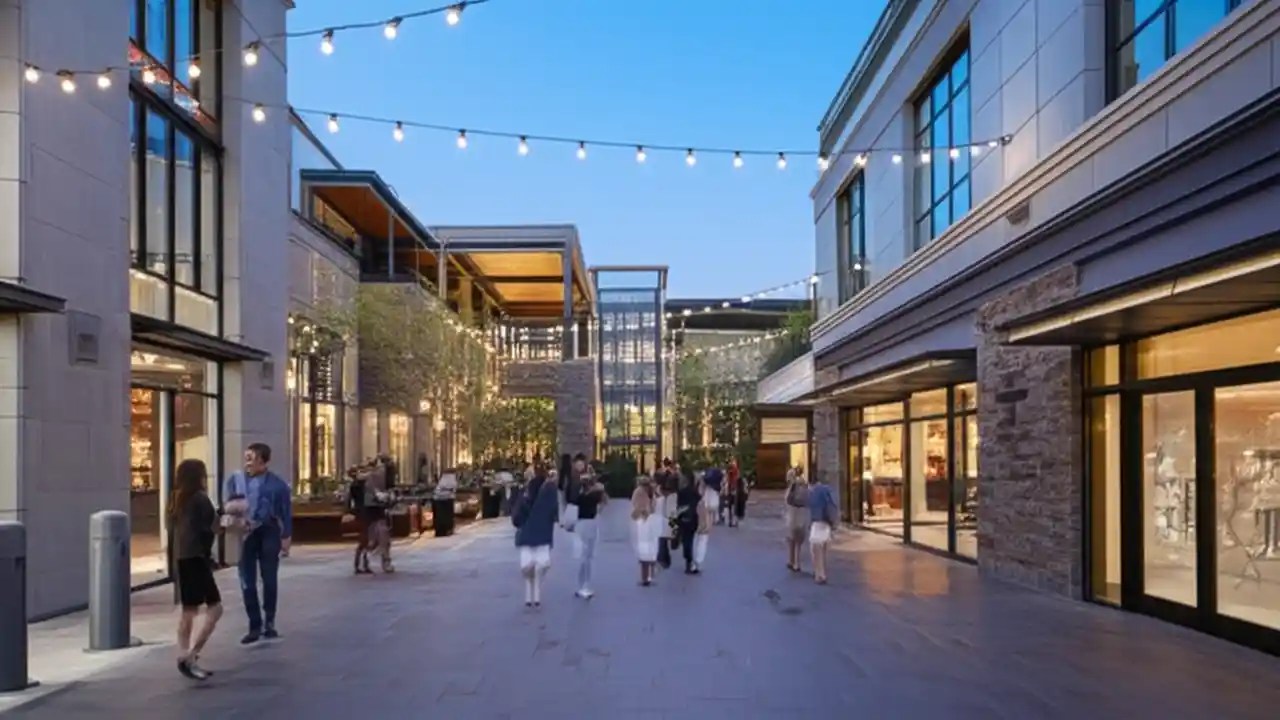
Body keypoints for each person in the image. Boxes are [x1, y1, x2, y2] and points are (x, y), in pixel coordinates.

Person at [223, 442, 293, 645]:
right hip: (245, 532)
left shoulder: (278, 485)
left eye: (251, 458)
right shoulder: (235, 481)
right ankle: (254, 624)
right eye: (246, 458)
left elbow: (285, 512)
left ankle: (269, 620)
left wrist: (286, 537)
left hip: (268, 530)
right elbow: (226, 505)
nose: (247, 463)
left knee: (269, 577)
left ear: (263, 461)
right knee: (246, 578)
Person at [170, 459, 222, 680]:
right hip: (197, 558)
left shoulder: (175, 500)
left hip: (181, 558)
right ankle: (191, 656)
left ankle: (183, 655)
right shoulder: (200, 499)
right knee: (215, 608)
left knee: (188, 611)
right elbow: (215, 526)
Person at [513, 465, 559, 607]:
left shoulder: (529, 492)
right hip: (538, 531)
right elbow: (554, 511)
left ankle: (533, 589)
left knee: (533, 564)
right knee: (536, 563)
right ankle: (533, 589)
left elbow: (517, 514)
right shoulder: (547, 491)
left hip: (531, 531)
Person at [572, 470, 607, 599]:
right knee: (588, 556)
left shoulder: (579, 496)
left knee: (583, 556)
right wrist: (599, 511)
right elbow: (605, 500)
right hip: (592, 523)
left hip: (581, 524)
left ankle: (581, 585)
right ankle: (586, 585)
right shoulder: (595, 495)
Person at [808, 472, 839, 584]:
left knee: (816, 547)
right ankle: (821, 572)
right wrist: (833, 522)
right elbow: (832, 506)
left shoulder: (815, 491)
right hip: (826, 522)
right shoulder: (829, 490)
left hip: (817, 521)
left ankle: (819, 573)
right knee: (822, 548)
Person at [630, 476, 660, 586]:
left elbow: (638, 507)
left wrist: (634, 515)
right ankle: (651, 575)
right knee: (652, 547)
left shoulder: (639, 492)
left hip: (643, 520)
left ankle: (644, 577)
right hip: (652, 520)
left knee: (643, 548)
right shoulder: (653, 493)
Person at [784, 468, 811, 573]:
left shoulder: (792, 487)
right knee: (798, 541)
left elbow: (787, 500)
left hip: (792, 515)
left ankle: (791, 561)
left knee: (791, 539)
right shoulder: (804, 485)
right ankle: (797, 563)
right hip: (802, 515)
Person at [675, 475, 702, 574]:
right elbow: (699, 501)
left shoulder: (681, 492)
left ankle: (688, 560)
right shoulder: (694, 492)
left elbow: (677, 506)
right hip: (692, 518)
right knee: (689, 540)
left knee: (686, 540)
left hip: (683, 518)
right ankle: (689, 561)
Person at [724, 460, 741, 527]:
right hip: (733, 490)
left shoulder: (733, 472)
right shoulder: (733, 472)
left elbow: (729, 481)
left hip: (733, 490)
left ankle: (732, 521)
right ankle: (734, 521)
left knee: (731, 507)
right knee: (733, 507)